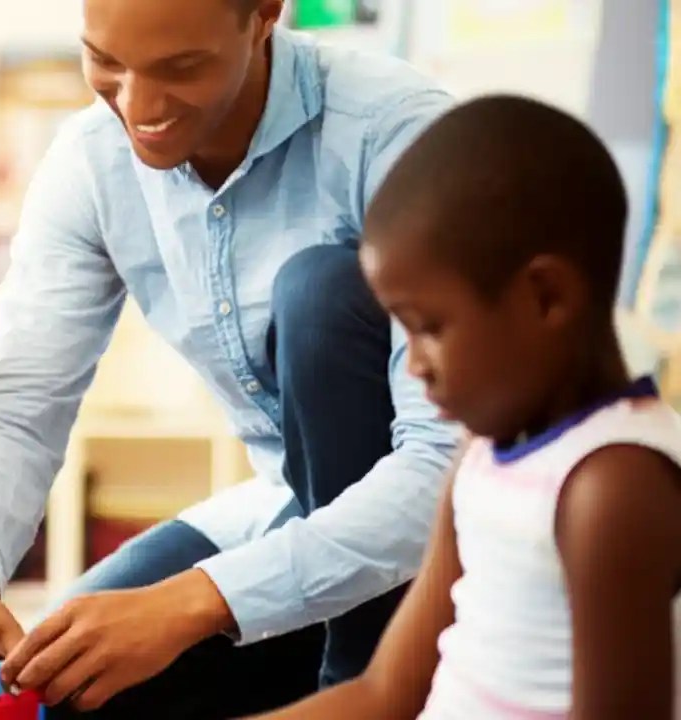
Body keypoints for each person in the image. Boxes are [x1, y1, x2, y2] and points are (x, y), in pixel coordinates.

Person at [0, 0, 460, 716]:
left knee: (322, 291)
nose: (137, 106)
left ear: (267, 14)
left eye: (181, 68)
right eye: (106, 62)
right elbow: (19, 407)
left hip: (444, 551)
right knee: (61, 686)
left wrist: (194, 602)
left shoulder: (397, 134)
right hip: (282, 511)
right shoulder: (90, 161)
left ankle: (364, 687)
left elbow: (443, 464)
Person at [251, 95, 680, 719]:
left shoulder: (612, 488)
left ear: (546, 297)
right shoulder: (482, 454)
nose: (415, 363)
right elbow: (384, 694)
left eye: (428, 327)